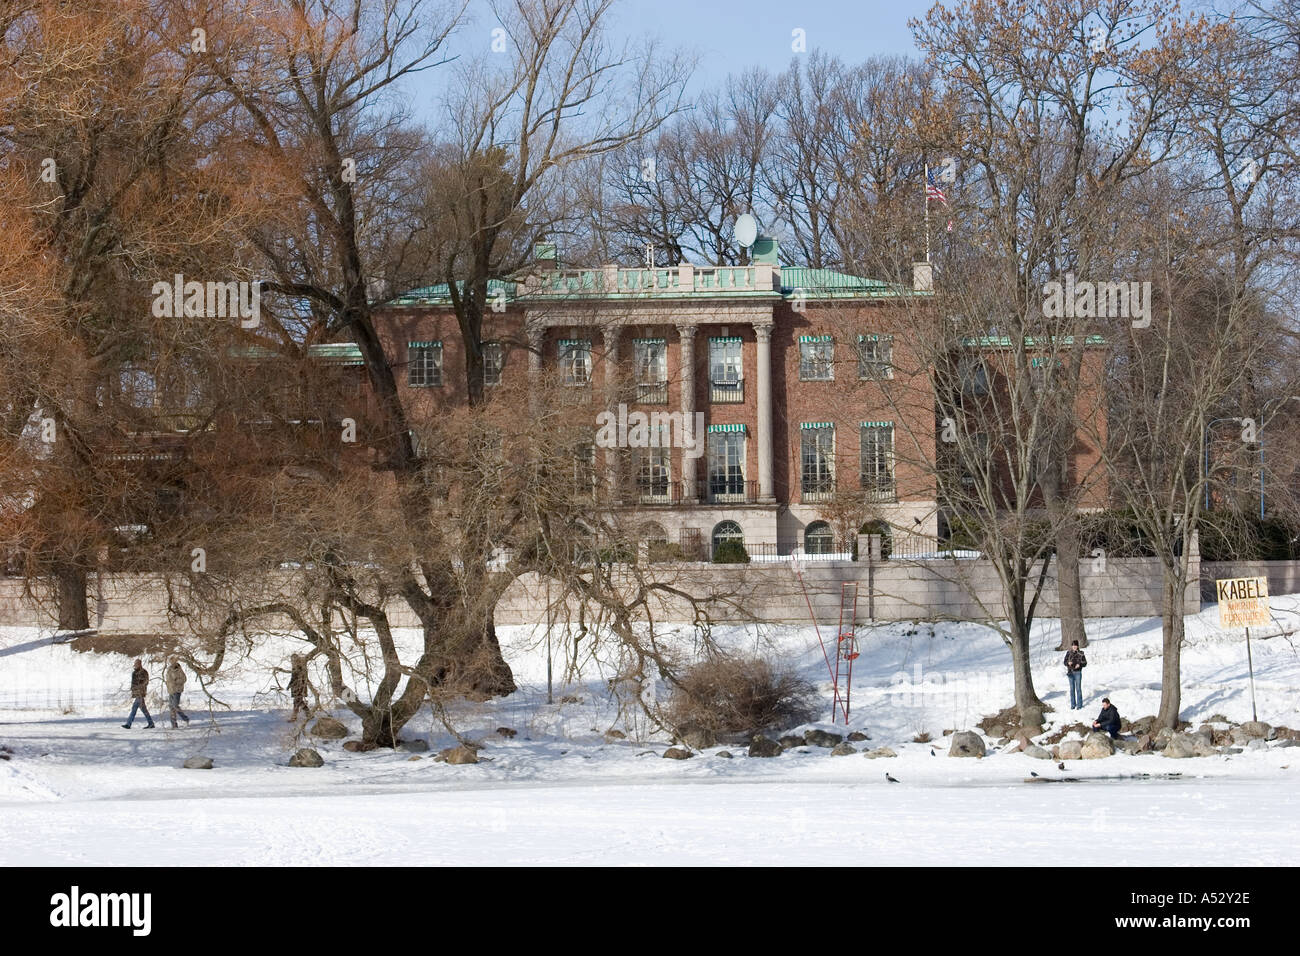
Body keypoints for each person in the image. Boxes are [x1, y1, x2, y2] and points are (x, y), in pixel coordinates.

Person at [122, 658, 154, 729]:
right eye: (134, 664)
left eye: (136, 664)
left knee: (134, 708)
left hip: (140, 693)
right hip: (136, 693)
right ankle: (151, 723)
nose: (135, 665)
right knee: (144, 709)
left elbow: (146, 682)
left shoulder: (143, 672)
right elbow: (133, 683)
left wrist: (140, 688)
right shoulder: (134, 673)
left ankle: (128, 724)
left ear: (139, 664)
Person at [165, 657, 191, 728]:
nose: (171, 663)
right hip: (170, 690)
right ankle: (174, 724)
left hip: (177, 690)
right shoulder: (169, 669)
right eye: (170, 661)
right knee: (171, 707)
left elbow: (184, 679)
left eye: (173, 661)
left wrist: (176, 682)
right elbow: (168, 679)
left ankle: (185, 719)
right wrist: (167, 684)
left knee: (175, 706)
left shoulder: (179, 669)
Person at [1064, 640, 1087, 710]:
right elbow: (1064, 662)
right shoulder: (1068, 653)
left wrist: (1079, 665)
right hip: (1070, 673)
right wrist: (1068, 663)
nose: (1074, 647)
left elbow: (1085, 663)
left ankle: (1079, 705)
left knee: (1078, 689)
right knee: (1072, 689)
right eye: (1073, 645)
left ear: (1077, 646)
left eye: (1075, 645)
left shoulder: (1081, 653)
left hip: (1078, 673)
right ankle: (1073, 704)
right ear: (1072, 646)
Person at [288, 653, 310, 721]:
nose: (292, 661)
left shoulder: (300, 667)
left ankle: (294, 717)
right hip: (295, 687)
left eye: (293, 659)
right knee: (299, 701)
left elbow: (303, 678)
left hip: (300, 687)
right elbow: (293, 678)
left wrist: (302, 687)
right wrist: (289, 685)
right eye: (292, 659)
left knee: (297, 702)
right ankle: (309, 714)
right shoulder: (294, 667)